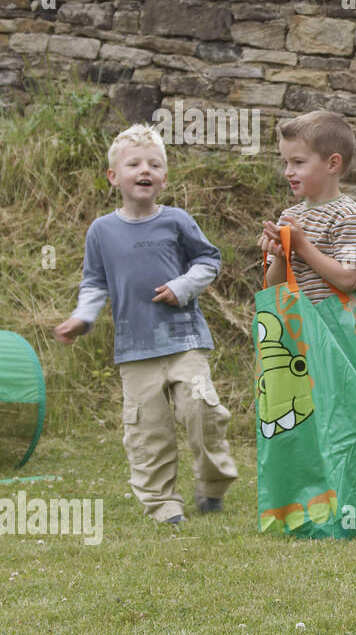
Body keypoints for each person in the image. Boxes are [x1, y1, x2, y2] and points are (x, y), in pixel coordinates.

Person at [54, 124, 237, 524]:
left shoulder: (176, 221)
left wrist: (182, 286)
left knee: (202, 413)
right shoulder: (101, 231)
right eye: (134, 163)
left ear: (164, 178)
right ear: (113, 176)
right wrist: (81, 319)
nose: (144, 170)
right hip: (135, 351)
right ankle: (163, 505)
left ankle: (212, 485)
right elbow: (94, 282)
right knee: (147, 431)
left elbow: (209, 261)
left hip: (185, 340)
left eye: (154, 164)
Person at [259, 110, 356, 301]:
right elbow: (274, 286)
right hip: (296, 327)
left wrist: (300, 245)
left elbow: (347, 279)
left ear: (332, 164)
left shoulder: (348, 216)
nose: (288, 172)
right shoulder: (289, 216)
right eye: (286, 163)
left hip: (332, 328)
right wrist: (281, 255)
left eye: (298, 162)